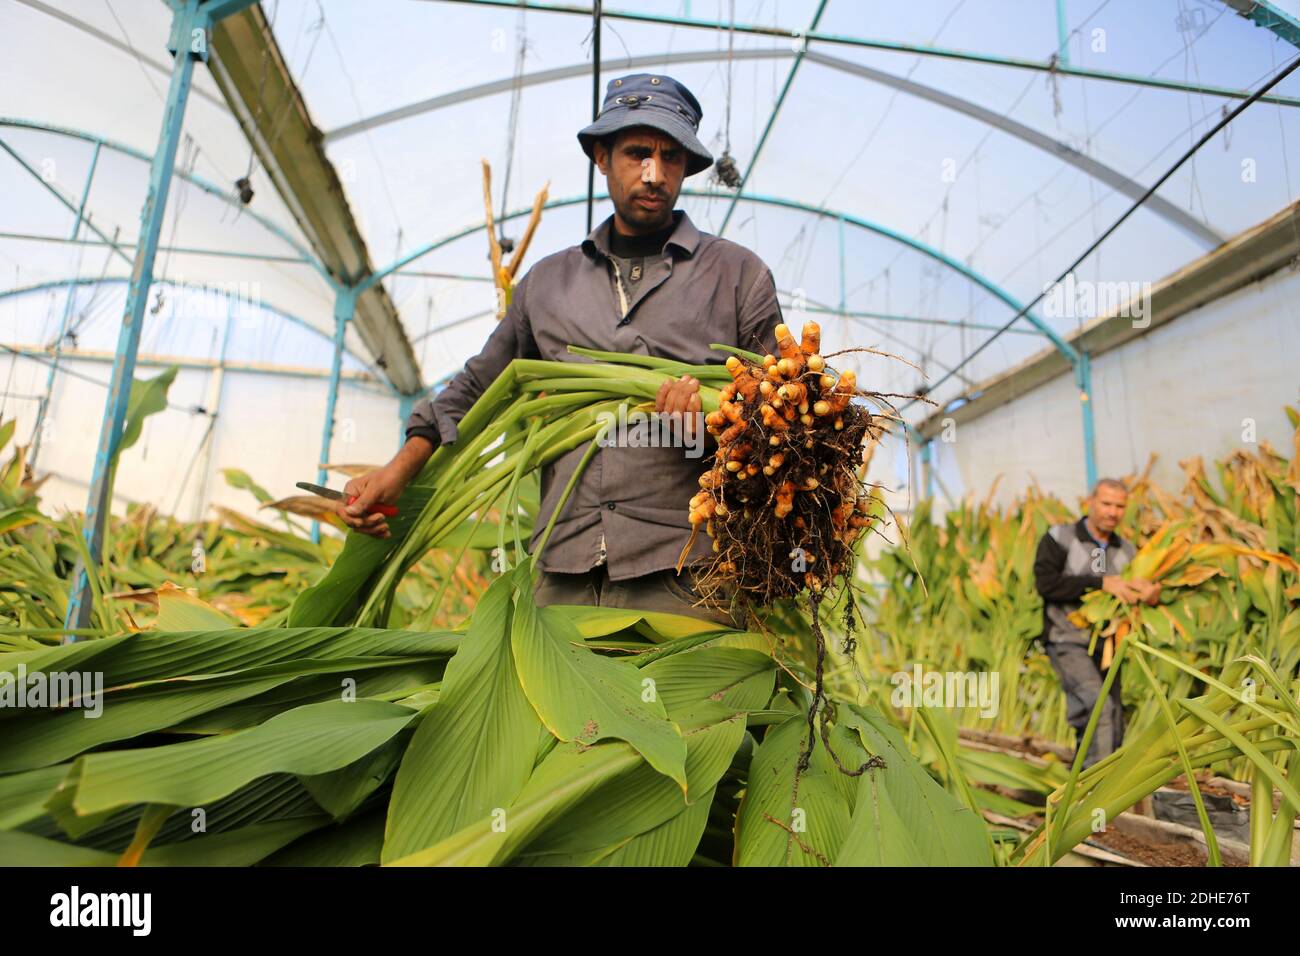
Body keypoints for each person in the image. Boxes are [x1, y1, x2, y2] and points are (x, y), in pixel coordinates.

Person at [333, 73, 783, 627]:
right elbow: (477, 386)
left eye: (671, 158)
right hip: (562, 569)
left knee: (677, 717)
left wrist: (711, 429)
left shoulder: (738, 276)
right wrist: (399, 469)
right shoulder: (548, 284)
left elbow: (780, 431)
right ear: (601, 156)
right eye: (638, 153)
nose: (654, 173)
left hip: (686, 575)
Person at [1033, 478, 1160, 766]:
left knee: (1113, 713)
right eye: (1106, 503)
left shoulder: (1127, 550)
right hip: (1067, 640)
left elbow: (1135, 593)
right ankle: (1093, 794)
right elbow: (1046, 584)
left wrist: (1151, 594)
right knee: (1096, 704)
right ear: (1090, 501)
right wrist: (1100, 583)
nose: (1112, 512)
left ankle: (1094, 782)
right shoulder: (1059, 538)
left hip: (1108, 646)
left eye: (1119, 506)